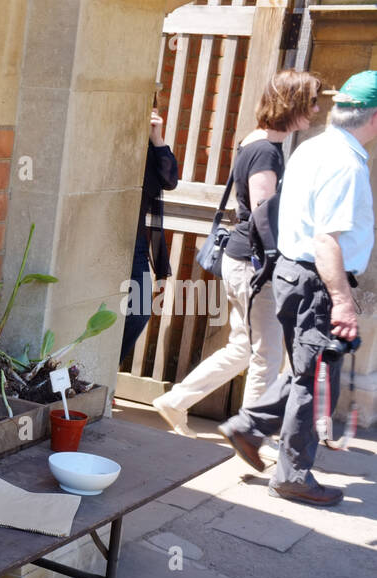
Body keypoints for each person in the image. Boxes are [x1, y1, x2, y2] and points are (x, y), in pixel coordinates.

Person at [218, 71, 377, 507]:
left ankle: (249, 426)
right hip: (316, 281)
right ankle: (292, 476)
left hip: (295, 274)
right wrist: (343, 301)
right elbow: (326, 240)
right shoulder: (344, 163)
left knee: (312, 368)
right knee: (318, 378)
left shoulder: (313, 148)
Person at [153, 70, 323, 435]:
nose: (316, 108)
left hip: (243, 261)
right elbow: (263, 210)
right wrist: (278, 261)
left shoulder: (254, 141)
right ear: (291, 104)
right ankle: (250, 435)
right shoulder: (266, 150)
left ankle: (176, 400)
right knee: (267, 356)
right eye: (310, 101)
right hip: (254, 265)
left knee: (244, 348)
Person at [120, 99, 180, 363]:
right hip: (102, 233)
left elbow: (170, 180)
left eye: (154, 107)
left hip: (135, 240)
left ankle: (109, 371)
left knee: (140, 308)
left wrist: (157, 139)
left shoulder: (150, 147)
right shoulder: (117, 137)